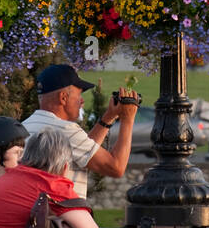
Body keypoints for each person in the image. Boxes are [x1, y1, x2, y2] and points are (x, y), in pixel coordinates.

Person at [21, 64, 139, 199]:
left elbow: (85, 151)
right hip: (62, 216)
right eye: (79, 95)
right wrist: (128, 119)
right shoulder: (65, 130)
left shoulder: (24, 126)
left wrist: (109, 117)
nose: (82, 101)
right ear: (63, 98)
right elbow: (115, 168)